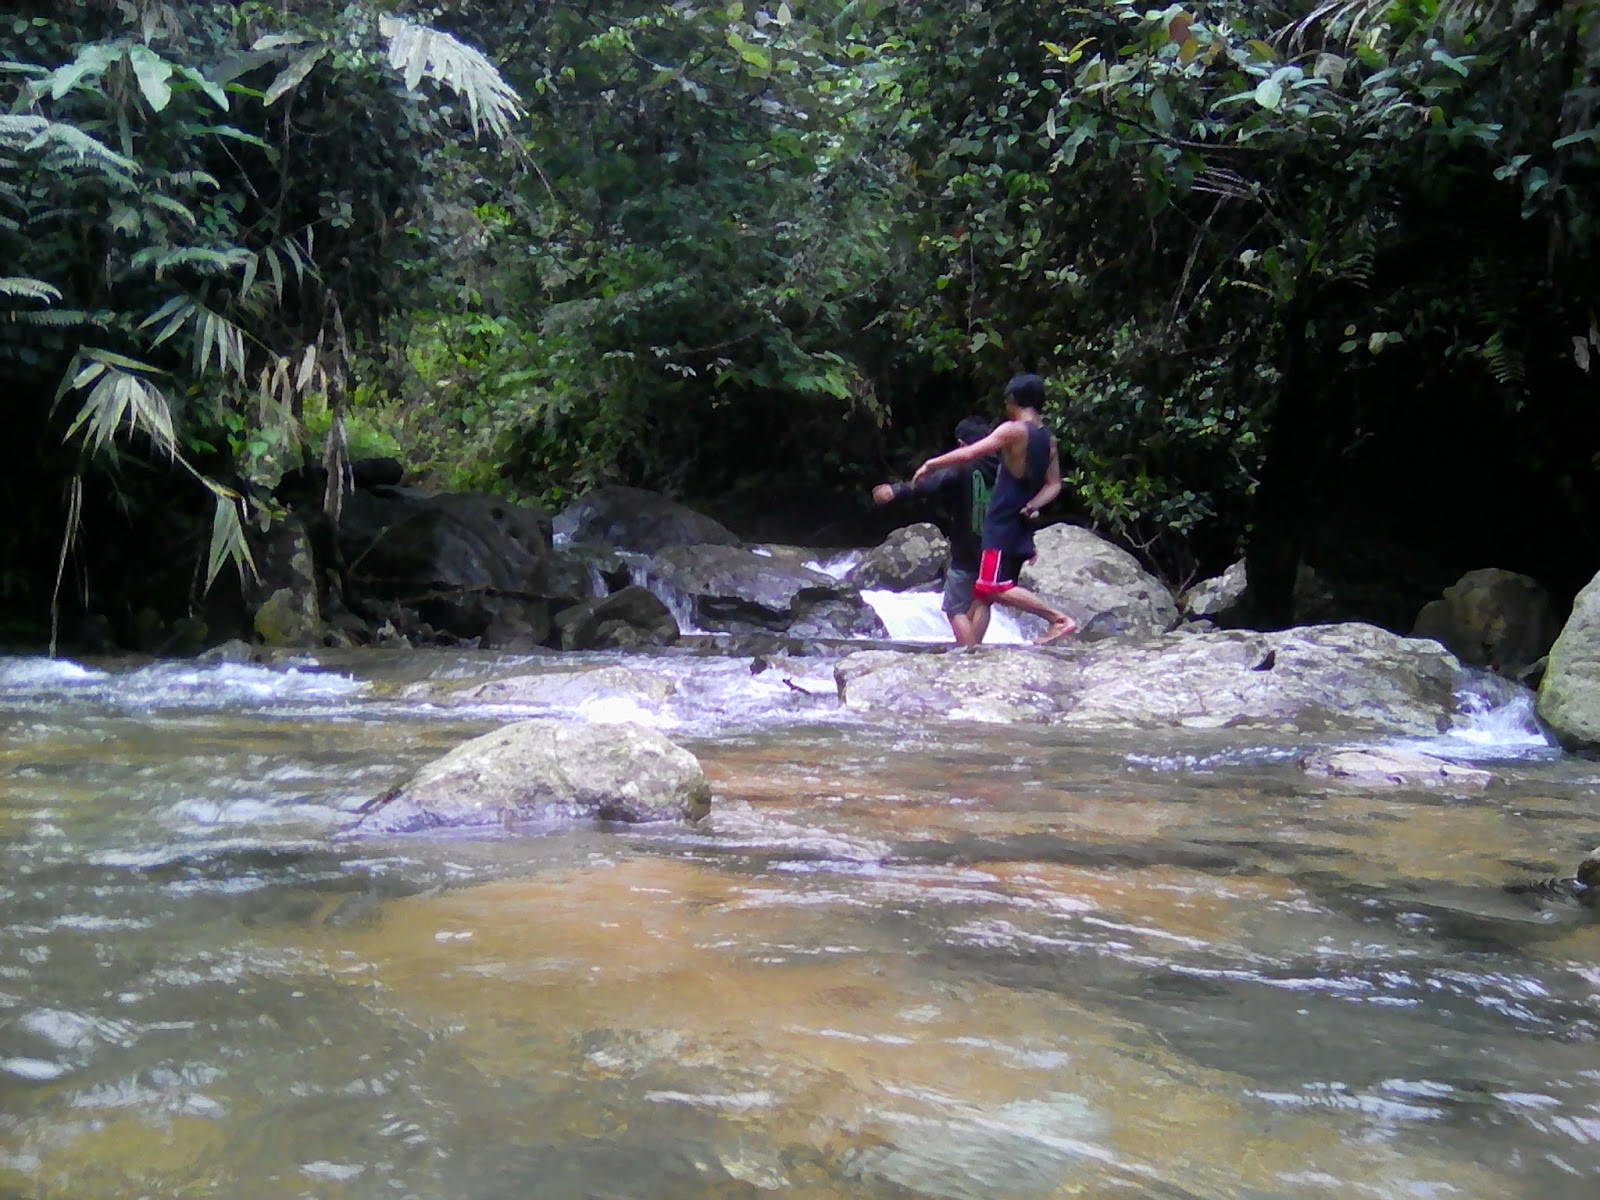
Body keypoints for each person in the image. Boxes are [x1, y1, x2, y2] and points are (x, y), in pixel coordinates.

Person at [912, 373, 1078, 646]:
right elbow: (1054, 484)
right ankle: (971, 653)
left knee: (991, 587)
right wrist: (1033, 505)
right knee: (983, 593)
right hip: (1021, 522)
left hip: (1001, 524)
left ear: (1013, 400)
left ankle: (1058, 619)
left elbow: (969, 454)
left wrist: (931, 464)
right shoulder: (1048, 439)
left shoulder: (1012, 430)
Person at [872, 416, 997, 646]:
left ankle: (971, 657)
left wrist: (896, 490)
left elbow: (932, 483)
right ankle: (975, 651)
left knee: (954, 609)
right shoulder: (1005, 465)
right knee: (982, 600)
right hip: (996, 548)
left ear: (961, 444)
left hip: (966, 548)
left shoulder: (962, 466)